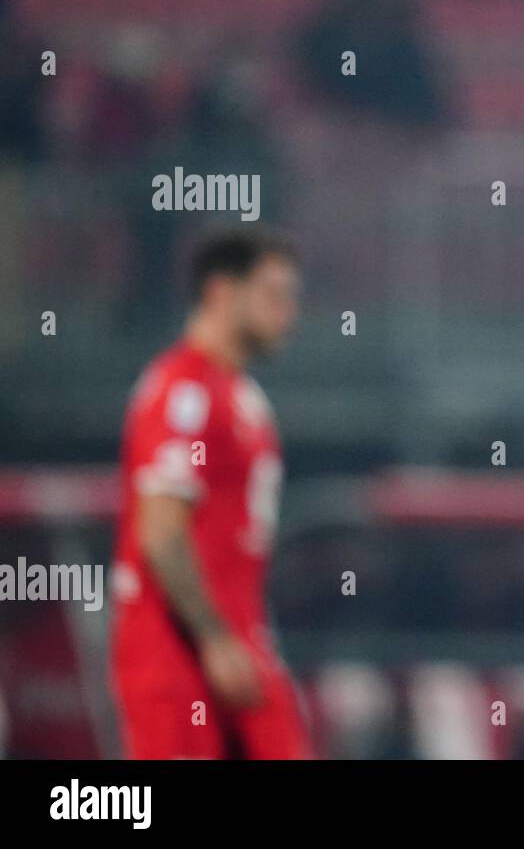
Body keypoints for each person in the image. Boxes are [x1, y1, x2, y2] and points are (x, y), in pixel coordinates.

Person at [109, 229, 312, 758]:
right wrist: (214, 638)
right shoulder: (181, 392)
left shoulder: (242, 399)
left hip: (241, 640)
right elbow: (160, 532)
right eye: (274, 294)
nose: (288, 312)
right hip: (175, 648)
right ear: (222, 292)